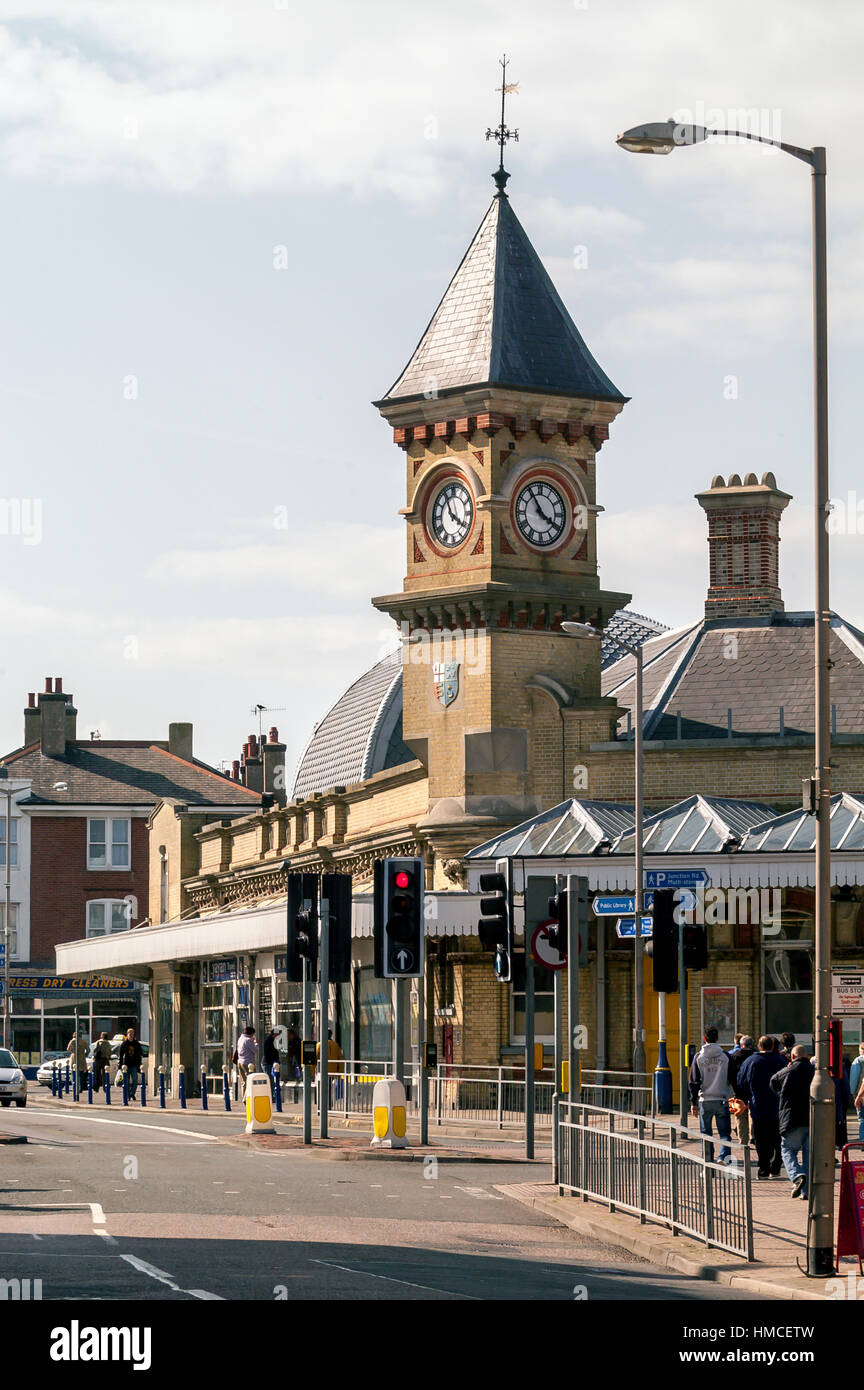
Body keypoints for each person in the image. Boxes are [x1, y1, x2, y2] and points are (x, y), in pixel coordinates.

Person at [736, 1035, 787, 1178]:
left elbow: (741, 1081)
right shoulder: (781, 1061)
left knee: (761, 1138)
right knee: (778, 1138)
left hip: (758, 1106)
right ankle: (776, 1166)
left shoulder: (751, 1061)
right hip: (778, 1106)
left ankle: (763, 1167)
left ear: (759, 1046)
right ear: (772, 1046)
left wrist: (745, 1098)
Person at [770, 1044, 814, 1198]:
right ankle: (806, 1192)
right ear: (807, 1056)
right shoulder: (815, 1071)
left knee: (787, 1150)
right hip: (812, 1119)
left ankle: (797, 1176)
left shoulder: (788, 1070)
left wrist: (782, 1093)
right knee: (809, 1155)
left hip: (792, 1118)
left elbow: (773, 1081)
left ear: (793, 1057)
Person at [688, 1026, 732, 1164]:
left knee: (706, 1134)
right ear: (717, 1038)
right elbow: (733, 1077)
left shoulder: (698, 1057)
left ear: (704, 1038)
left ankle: (707, 1163)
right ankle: (723, 1157)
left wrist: (693, 1102)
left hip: (705, 1100)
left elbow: (694, 1082)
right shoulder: (725, 1056)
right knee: (724, 1133)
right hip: (722, 1099)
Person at [728, 1034, 756, 1147]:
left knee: (740, 1115)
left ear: (741, 1045)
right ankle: (752, 1136)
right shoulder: (755, 1056)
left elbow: (730, 1075)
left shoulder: (734, 1056)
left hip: (738, 1090)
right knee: (752, 1113)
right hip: (753, 1090)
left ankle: (743, 1142)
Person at [118, 1028, 143, 1098]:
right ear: (127, 1034)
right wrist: (120, 1065)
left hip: (134, 1065)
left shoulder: (136, 1044)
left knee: (135, 1080)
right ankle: (128, 1094)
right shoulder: (124, 1044)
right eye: (130, 1034)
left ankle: (132, 1093)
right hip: (126, 1065)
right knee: (126, 1081)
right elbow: (120, 1055)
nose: (131, 1035)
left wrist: (139, 1064)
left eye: (132, 1034)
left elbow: (140, 1054)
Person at [235, 1025, 259, 1097]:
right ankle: (248, 1097)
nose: (253, 1035)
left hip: (240, 1061)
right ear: (251, 1033)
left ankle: (244, 1097)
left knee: (244, 1082)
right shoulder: (248, 1040)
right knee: (251, 1080)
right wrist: (256, 1043)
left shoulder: (240, 1038)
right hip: (248, 1063)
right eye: (253, 1034)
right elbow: (255, 1050)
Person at [851, 1042, 864, 1142]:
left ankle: (863, 1141)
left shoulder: (858, 1061)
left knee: (862, 1119)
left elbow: (854, 1078)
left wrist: (854, 1093)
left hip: (861, 1094)